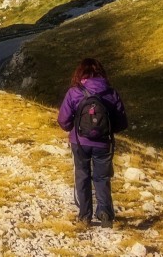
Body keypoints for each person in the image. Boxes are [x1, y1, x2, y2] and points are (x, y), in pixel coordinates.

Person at [56, 57, 128, 228]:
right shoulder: (110, 92)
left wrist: (72, 128)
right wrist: (106, 130)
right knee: (102, 178)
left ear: (80, 73)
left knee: (82, 176)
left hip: (79, 142)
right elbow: (121, 122)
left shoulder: (75, 92)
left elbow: (63, 120)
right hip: (103, 144)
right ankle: (105, 213)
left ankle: (84, 216)